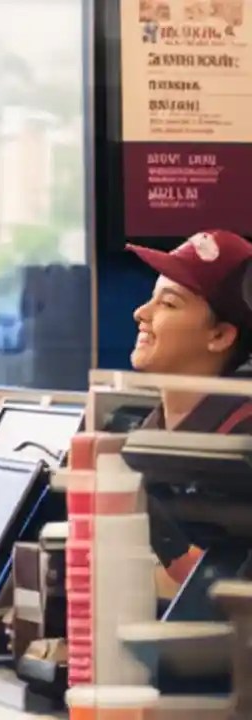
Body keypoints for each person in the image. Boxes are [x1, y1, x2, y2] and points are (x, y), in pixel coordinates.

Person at [126, 229, 252, 582]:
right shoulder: (143, 431)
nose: (141, 313)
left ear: (220, 336)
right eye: (151, 299)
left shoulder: (238, 448)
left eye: (168, 303)